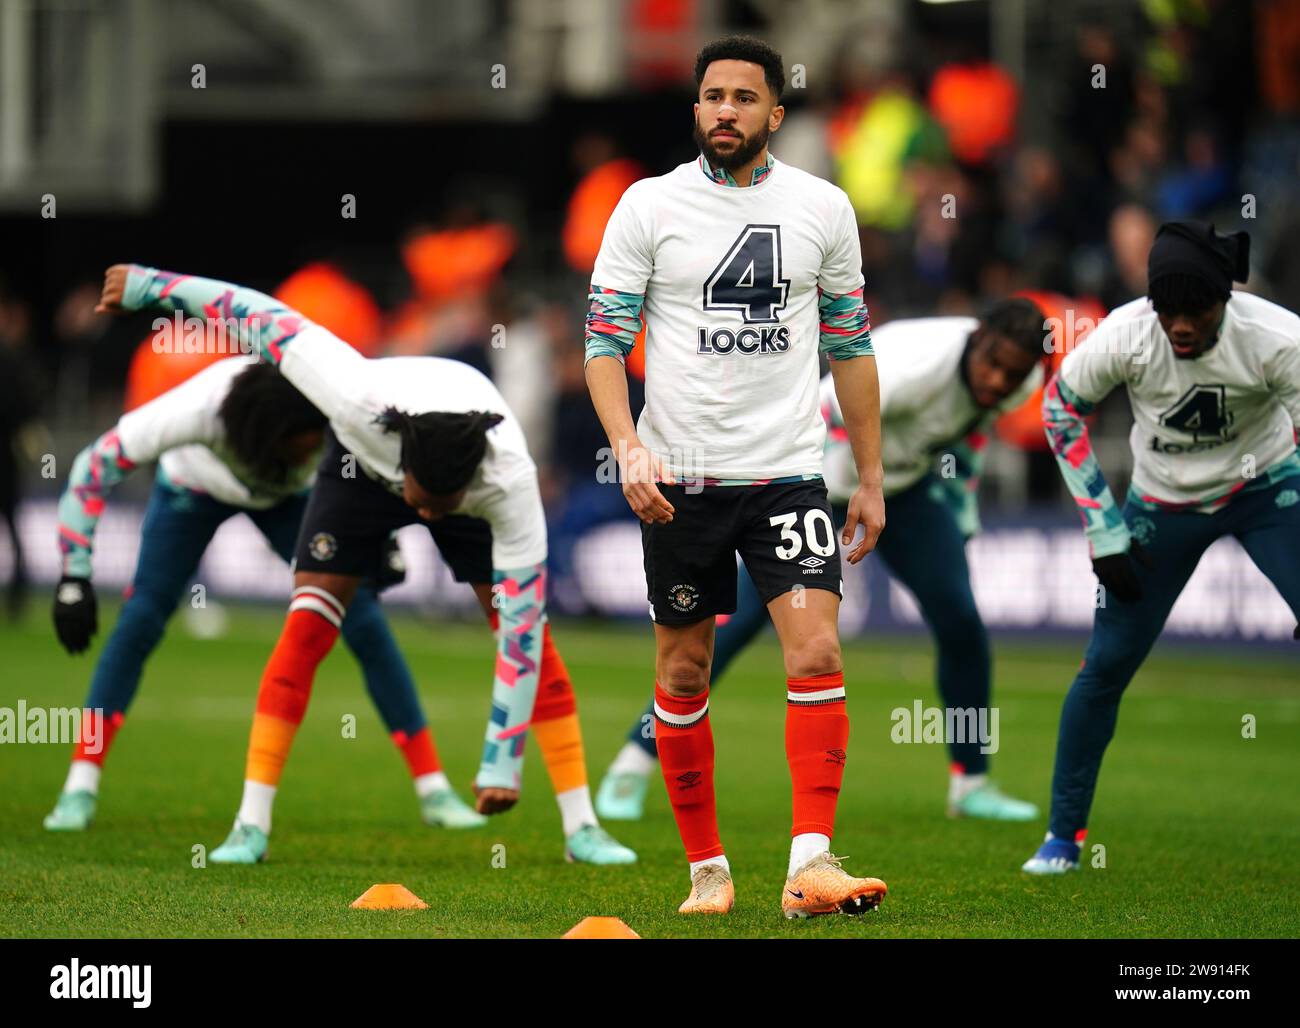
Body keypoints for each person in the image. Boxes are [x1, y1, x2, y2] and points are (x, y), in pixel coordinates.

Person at [94, 263, 636, 867]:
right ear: (406, 465)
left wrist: (500, 760)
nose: (426, 516)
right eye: (421, 501)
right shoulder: (354, 394)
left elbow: (521, 638)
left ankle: (581, 827)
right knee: (308, 629)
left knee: (533, 635)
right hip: (359, 473)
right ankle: (250, 825)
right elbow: (255, 313)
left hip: (454, 482)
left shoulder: (509, 486)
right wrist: (147, 287)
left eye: (439, 507)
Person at [585, 36, 886, 918]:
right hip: (679, 480)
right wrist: (628, 447)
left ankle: (810, 866)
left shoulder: (824, 208)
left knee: (819, 649)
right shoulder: (646, 206)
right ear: (695, 109)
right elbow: (604, 345)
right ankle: (707, 870)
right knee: (683, 675)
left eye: (744, 99)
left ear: (775, 115)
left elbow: (852, 347)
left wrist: (869, 475)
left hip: (789, 473)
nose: (725, 111)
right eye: (712, 96)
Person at [597, 300, 1047, 824]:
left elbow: (970, 434)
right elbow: (824, 408)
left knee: (962, 621)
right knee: (737, 623)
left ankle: (971, 782)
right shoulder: (915, 361)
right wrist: (827, 493)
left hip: (901, 490)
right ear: (978, 336)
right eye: (992, 363)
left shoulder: (1022, 375)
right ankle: (634, 759)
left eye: (1010, 374)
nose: (997, 380)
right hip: (820, 482)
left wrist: (960, 520)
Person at [44, 355, 484, 832]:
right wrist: (74, 575)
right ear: (266, 441)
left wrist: (383, 533)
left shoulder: (328, 398)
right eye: (302, 450)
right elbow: (96, 463)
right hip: (192, 489)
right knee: (142, 618)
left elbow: (375, 452)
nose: (308, 456)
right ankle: (79, 784)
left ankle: (433, 787)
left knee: (361, 617)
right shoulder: (195, 411)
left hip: (288, 503)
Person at [1023, 222, 1300, 873]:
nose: (1179, 325)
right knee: (1106, 664)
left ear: (1225, 302)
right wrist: (1104, 524)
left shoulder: (1278, 340)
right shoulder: (1125, 333)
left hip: (1269, 491)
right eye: (1166, 309)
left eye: (1194, 311)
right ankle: (1063, 838)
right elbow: (1060, 409)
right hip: (1161, 503)